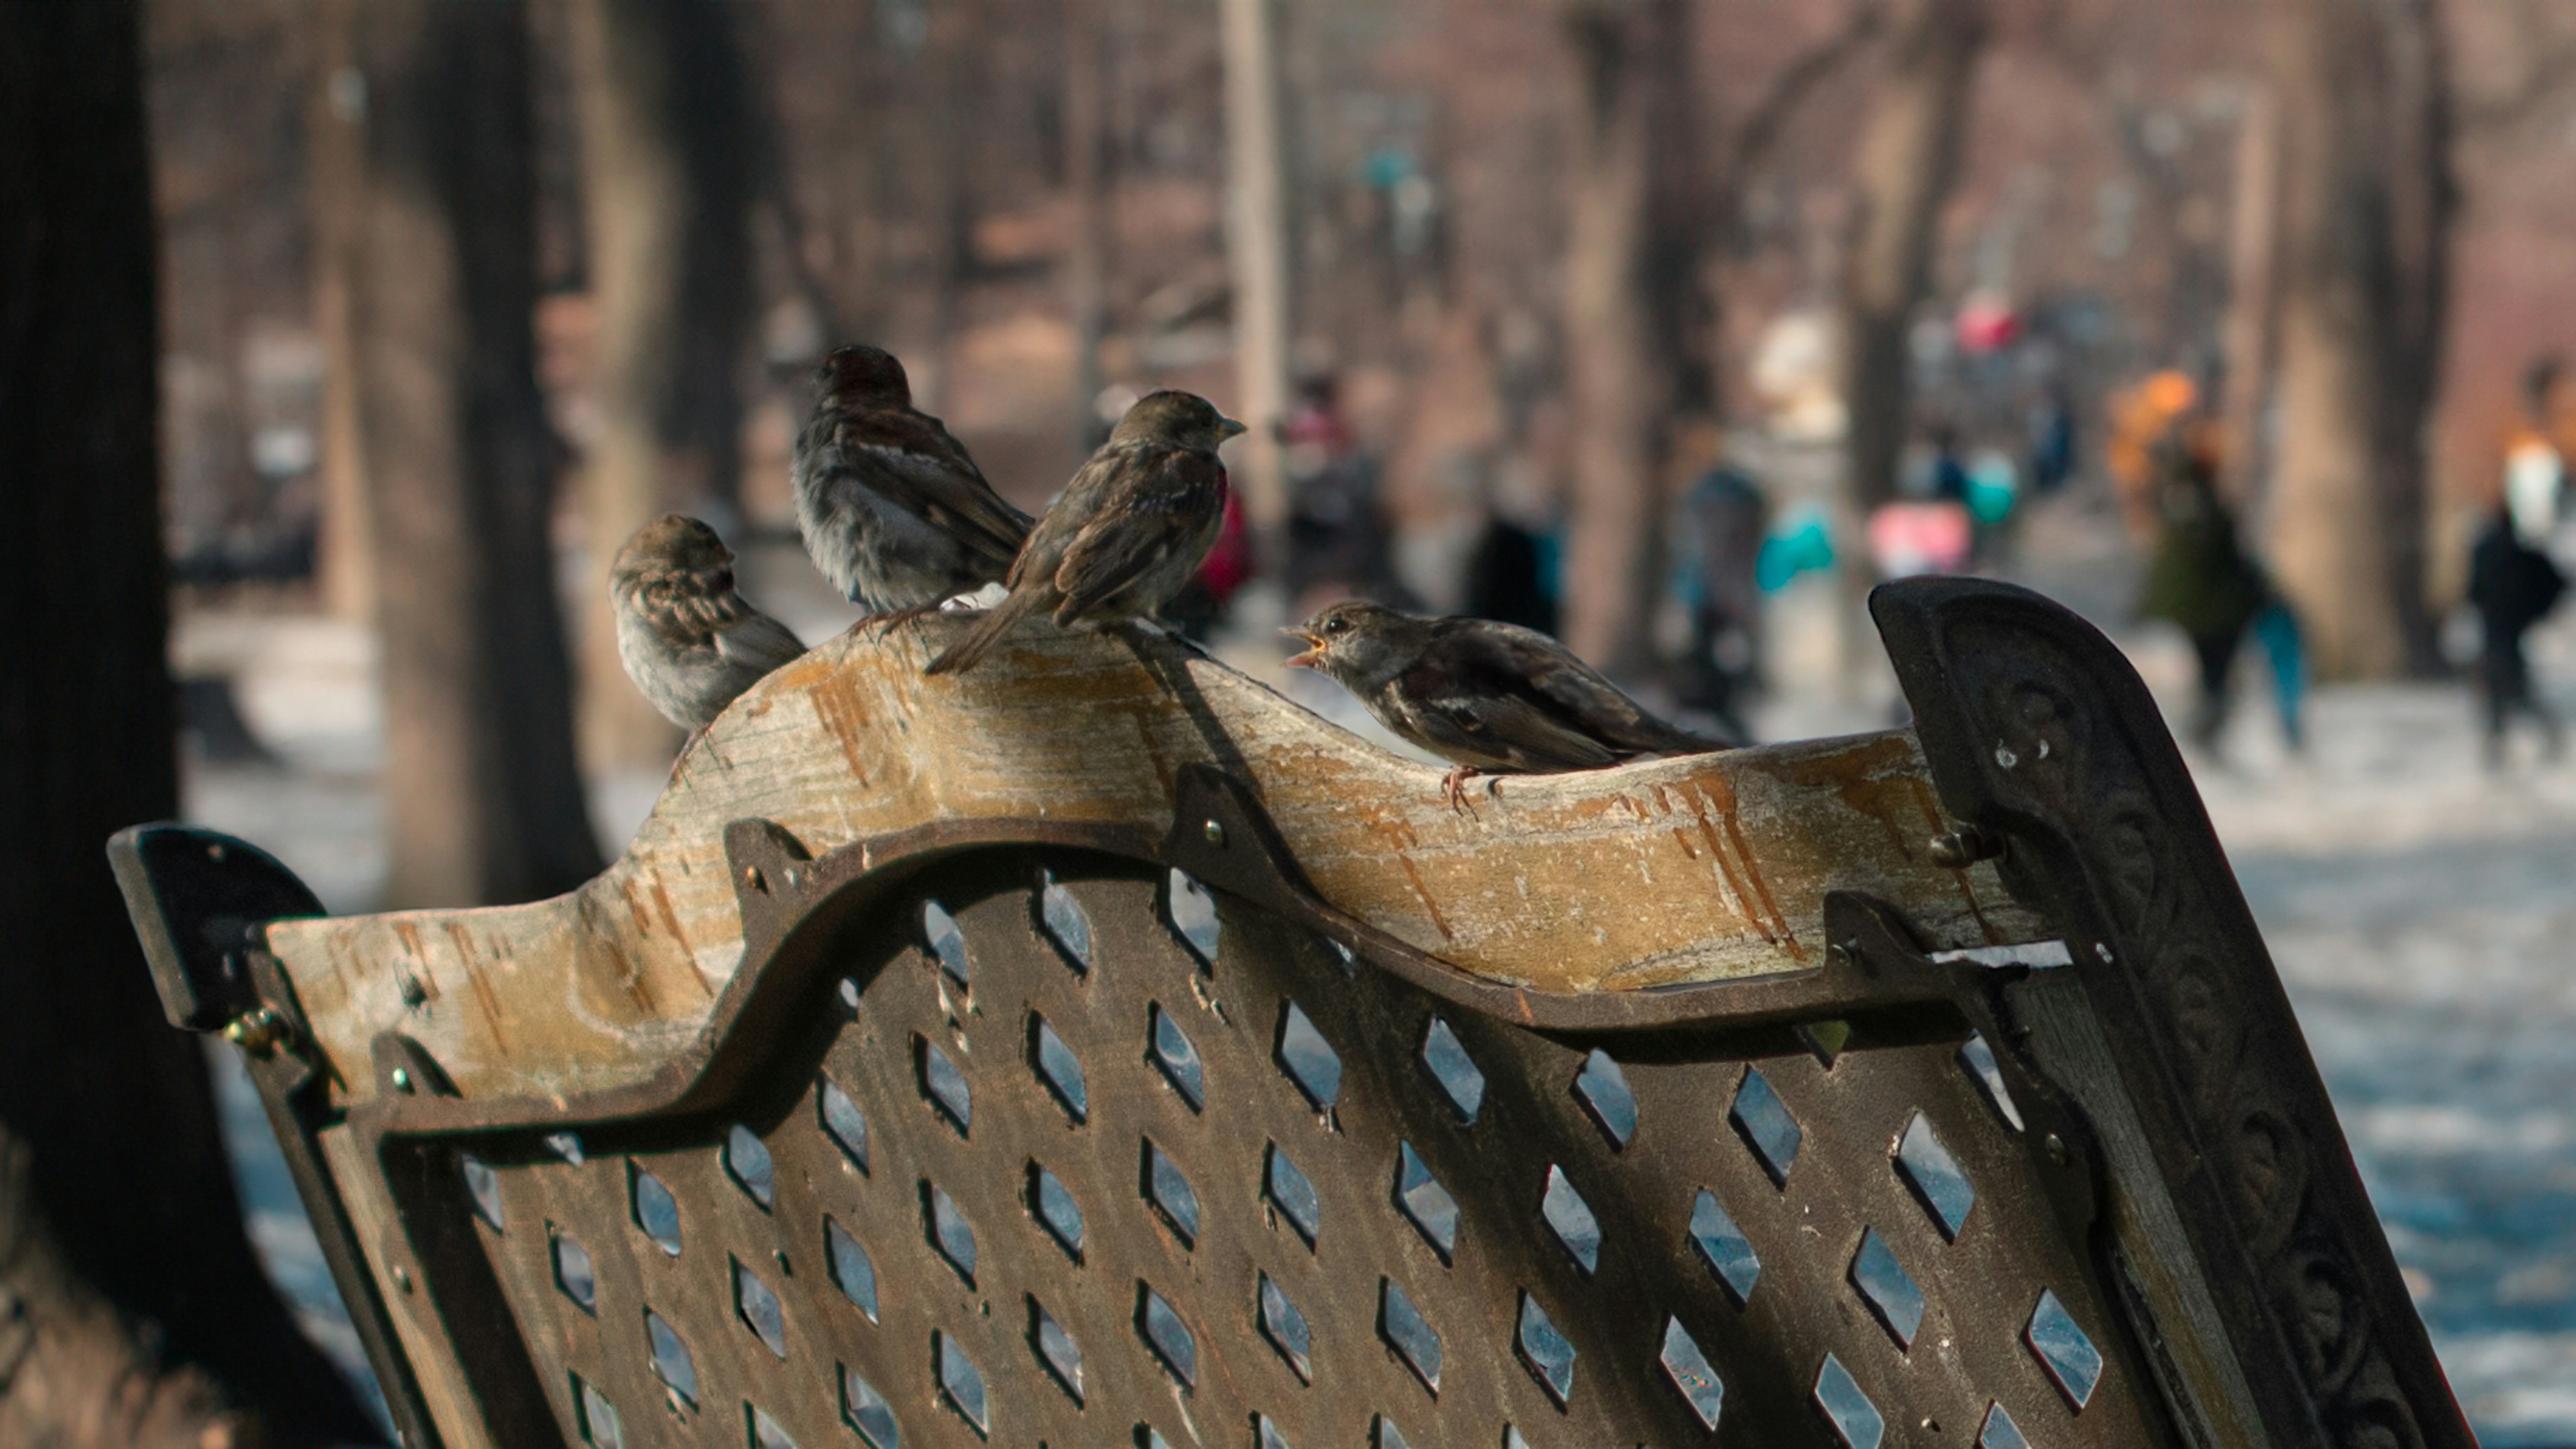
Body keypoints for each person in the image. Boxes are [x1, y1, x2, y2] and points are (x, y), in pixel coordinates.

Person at [2137, 429, 2270, 750]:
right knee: (2214, 676)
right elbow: (2203, 553)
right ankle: (2206, 731)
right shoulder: (2193, 501)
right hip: (2212, 608)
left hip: (2208, 607)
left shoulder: (2180, 499)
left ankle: (2208, 731)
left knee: (2214, 677)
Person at [2467, 499, 2566, 767]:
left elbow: (2473, 592)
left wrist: (2533, 610)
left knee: (2507, 688)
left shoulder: (2489, 553)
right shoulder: (2516, 552)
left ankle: (2504, 744)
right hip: (2506, 630)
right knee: (2509, 688)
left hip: (2499, 630)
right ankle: (2502, 745)